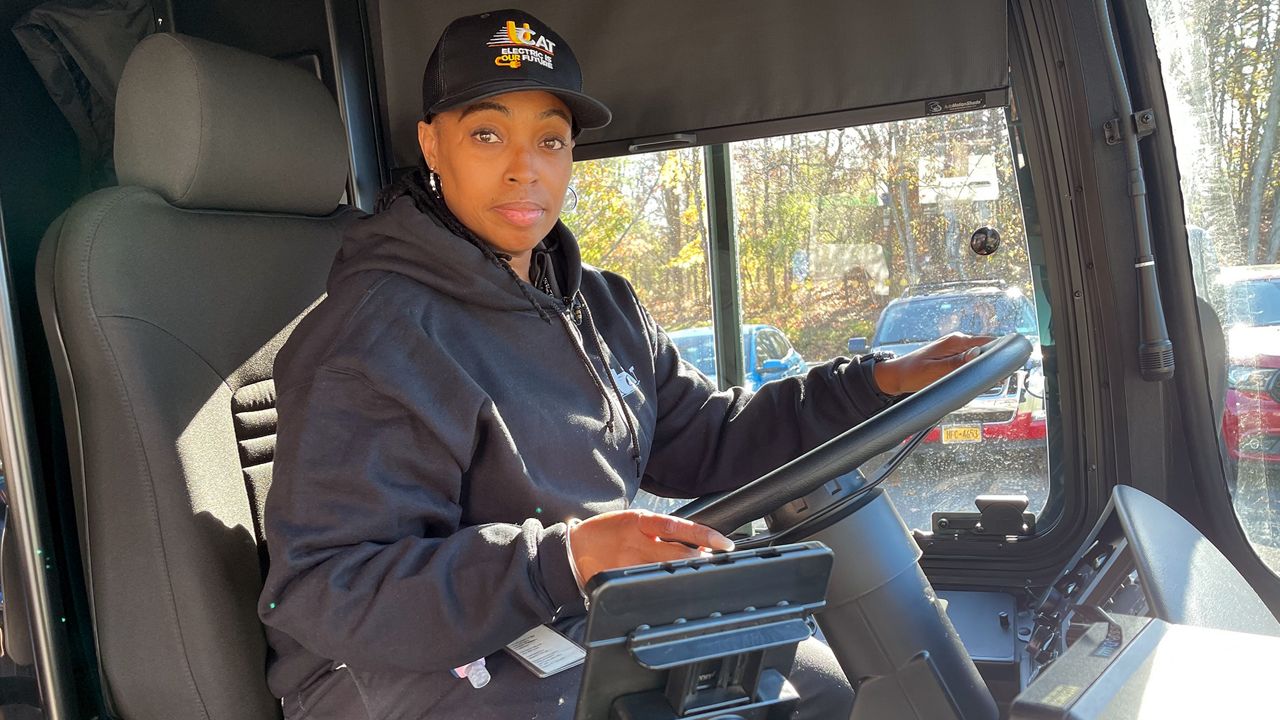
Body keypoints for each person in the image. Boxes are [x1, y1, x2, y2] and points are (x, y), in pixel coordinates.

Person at [257, 9, 990, 719]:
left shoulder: (598, 304)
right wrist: (563, 560)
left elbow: (708, 437)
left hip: (563, 615)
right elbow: (329, 587)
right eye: (487, 134)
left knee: (829, 687)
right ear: (432, 144)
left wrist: (875, 382)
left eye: (550, 140)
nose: (525, 170)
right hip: (391, 670)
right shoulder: (374, 335)